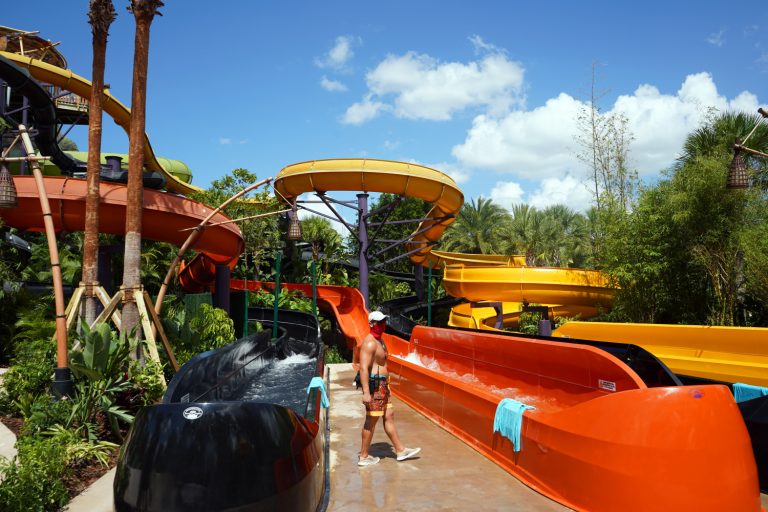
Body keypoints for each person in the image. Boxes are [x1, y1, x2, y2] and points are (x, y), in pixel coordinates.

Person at [357, 310, 421, 467]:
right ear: (371, 324)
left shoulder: (381, 341)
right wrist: (366, 392)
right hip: (375, 387)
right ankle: (364, 456)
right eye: (379, 322)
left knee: (389, 415)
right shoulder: (370, 343)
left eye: (383, 322)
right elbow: (363, 368)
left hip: (383, 386)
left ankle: (400, 450)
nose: (382, 325)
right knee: (371, 420)